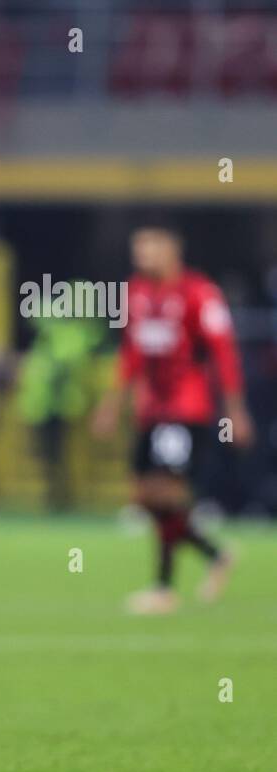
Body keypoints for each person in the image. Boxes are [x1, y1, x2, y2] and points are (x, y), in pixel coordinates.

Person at [92, 225, 253, 613]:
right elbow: (131, 353)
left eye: (149, 249)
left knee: (167, 494)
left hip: (185, 408)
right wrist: (113, 404)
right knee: (143, 496)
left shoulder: (199, 293)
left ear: (172, 251)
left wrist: (235, 409)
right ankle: (214, 553)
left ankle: (163, 588)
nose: (142, 257)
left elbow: (223, 352)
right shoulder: (136, 292)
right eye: (138, 250)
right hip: (150, 409)